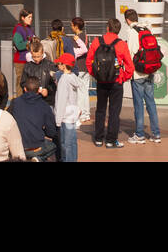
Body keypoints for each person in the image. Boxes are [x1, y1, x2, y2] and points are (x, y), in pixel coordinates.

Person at [85, 17, 132, 148]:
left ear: (107, 28)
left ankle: (98, 138)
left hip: (101, 82)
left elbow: (89, 61)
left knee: (100, 110)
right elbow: (130, 66)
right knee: (114, 111)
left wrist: (96, 75)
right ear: (118, 30)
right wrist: (123, 77)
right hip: (116, 81)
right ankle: (111, 140)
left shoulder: (96, 41)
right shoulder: (121, 44)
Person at [121, 9, 161, 145]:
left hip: (138, 74)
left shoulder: (132, 32)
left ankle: (139, 135)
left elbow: (131, 53)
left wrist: (127, 71)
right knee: (151, 103)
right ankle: (156, 134)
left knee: (138, 105)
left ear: (127, 19)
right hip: (150, 71)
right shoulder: (147, 29)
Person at [9, 72, 60, 161]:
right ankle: (38, 158)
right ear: (38, 90)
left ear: (25, 89)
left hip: (17, 146)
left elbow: (7, 120)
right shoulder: (44, 106)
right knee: (53, 146)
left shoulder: (15, 102)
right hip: (36, 147)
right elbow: (51, 132)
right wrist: (40, 130)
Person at [53, 54, 86, 162]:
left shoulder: (63, 80)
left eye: (59, 63)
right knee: (71, 142)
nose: (58, 65)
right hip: (71, 115)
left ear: (64, 66)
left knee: (65, 143)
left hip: (63, 116)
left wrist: (57, 120)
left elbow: (61, 100)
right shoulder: (73, 77)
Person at [12, 9, 35, 88]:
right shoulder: (18, 28)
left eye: (31, 17)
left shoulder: (30, 28)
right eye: (29, 17)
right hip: (21, 61)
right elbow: (19, 45)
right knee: (21, 83)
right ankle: (20, 99)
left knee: (29, 83)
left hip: (30, 59)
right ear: (22, 18)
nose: (31, 19)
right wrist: (29, 42)